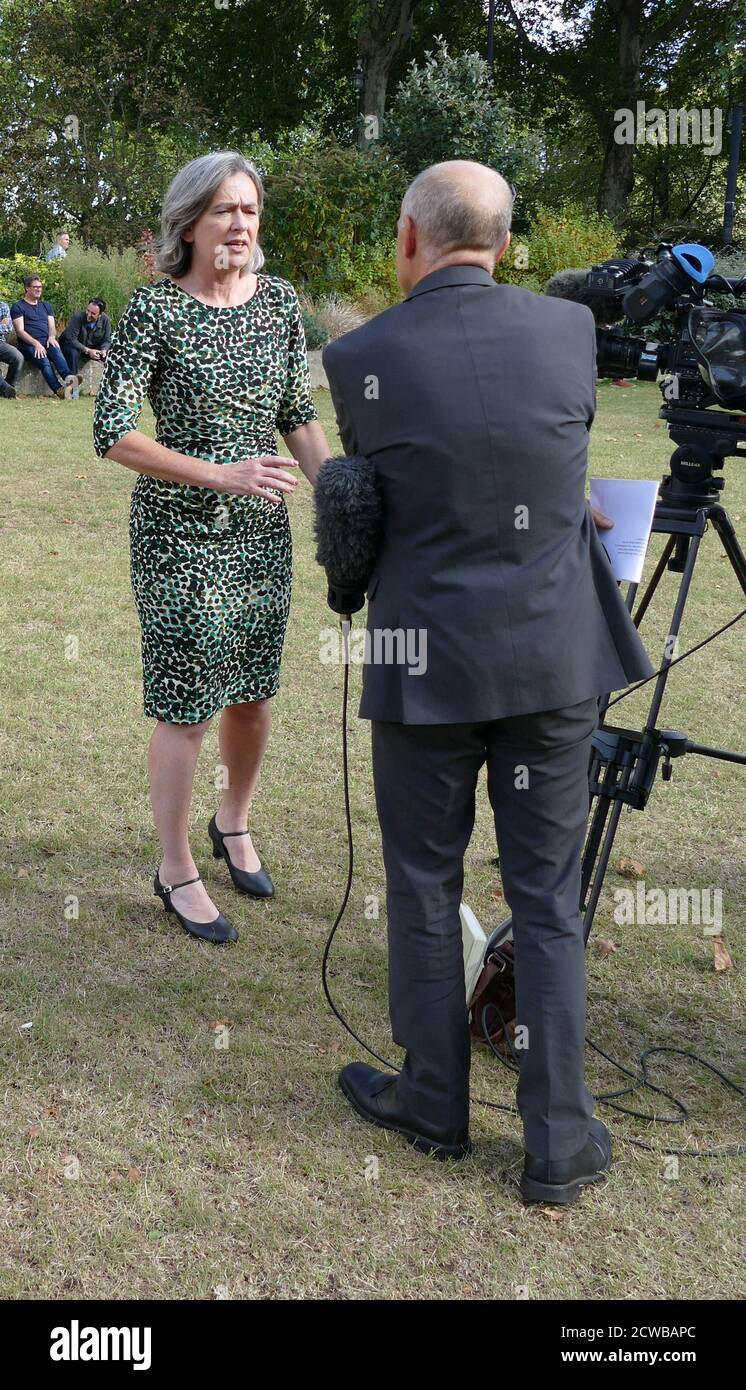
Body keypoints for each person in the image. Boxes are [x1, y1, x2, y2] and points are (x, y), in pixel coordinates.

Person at [323, 160, 654, 1205]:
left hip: (421, 656)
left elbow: (384, 497)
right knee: (545, 900)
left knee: (422, 884)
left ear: (405, 240)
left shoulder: (358, 356)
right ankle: (556, 1140)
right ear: (503, 244)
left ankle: (434, 1102)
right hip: (552, 653)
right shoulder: (567, 333)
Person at [93, 150, 332, 946]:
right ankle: (173, 867)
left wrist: (337, 496)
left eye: (250, 210)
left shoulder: (281, 303)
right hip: (176, 534)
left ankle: (233, 823)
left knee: (254, 694)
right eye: (224, 210)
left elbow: (298, 412)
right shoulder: (155, 310)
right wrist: (220, 474)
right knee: (187, 705)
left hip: (261, 533)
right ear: (189, 221)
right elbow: (114, 433)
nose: (239, 224)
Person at [10, 275, 80, 398]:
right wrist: (36, 343)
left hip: (47, 341)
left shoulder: (46, 306)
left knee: (58, 356)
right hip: (28, 345)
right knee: (44, 362)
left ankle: (71, 382)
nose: (38, 289)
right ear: (27, 288)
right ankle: (59, 390)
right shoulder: (18, 307)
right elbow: (20, 331)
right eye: (35, 287)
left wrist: (52, 337)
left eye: (40, 287)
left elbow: (52, 327)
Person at [59, 298, 112, 377]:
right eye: (88, 311)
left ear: (100, 314)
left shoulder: (105, 320)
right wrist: (88, 350)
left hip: (90, 346)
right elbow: (71, 339)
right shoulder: (78, 317)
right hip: (70, 345)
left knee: (110, 354)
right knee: (73, 353)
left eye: (93, 313)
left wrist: (104, 350)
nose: (89, 315)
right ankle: (73, 385)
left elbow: (107, 340)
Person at [0, 297, 23, 399]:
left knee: (18, 357)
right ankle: (5, 388)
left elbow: (8, 328)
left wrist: (4, 325)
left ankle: (9, 387)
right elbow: (3, 327)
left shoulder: (3, 306)